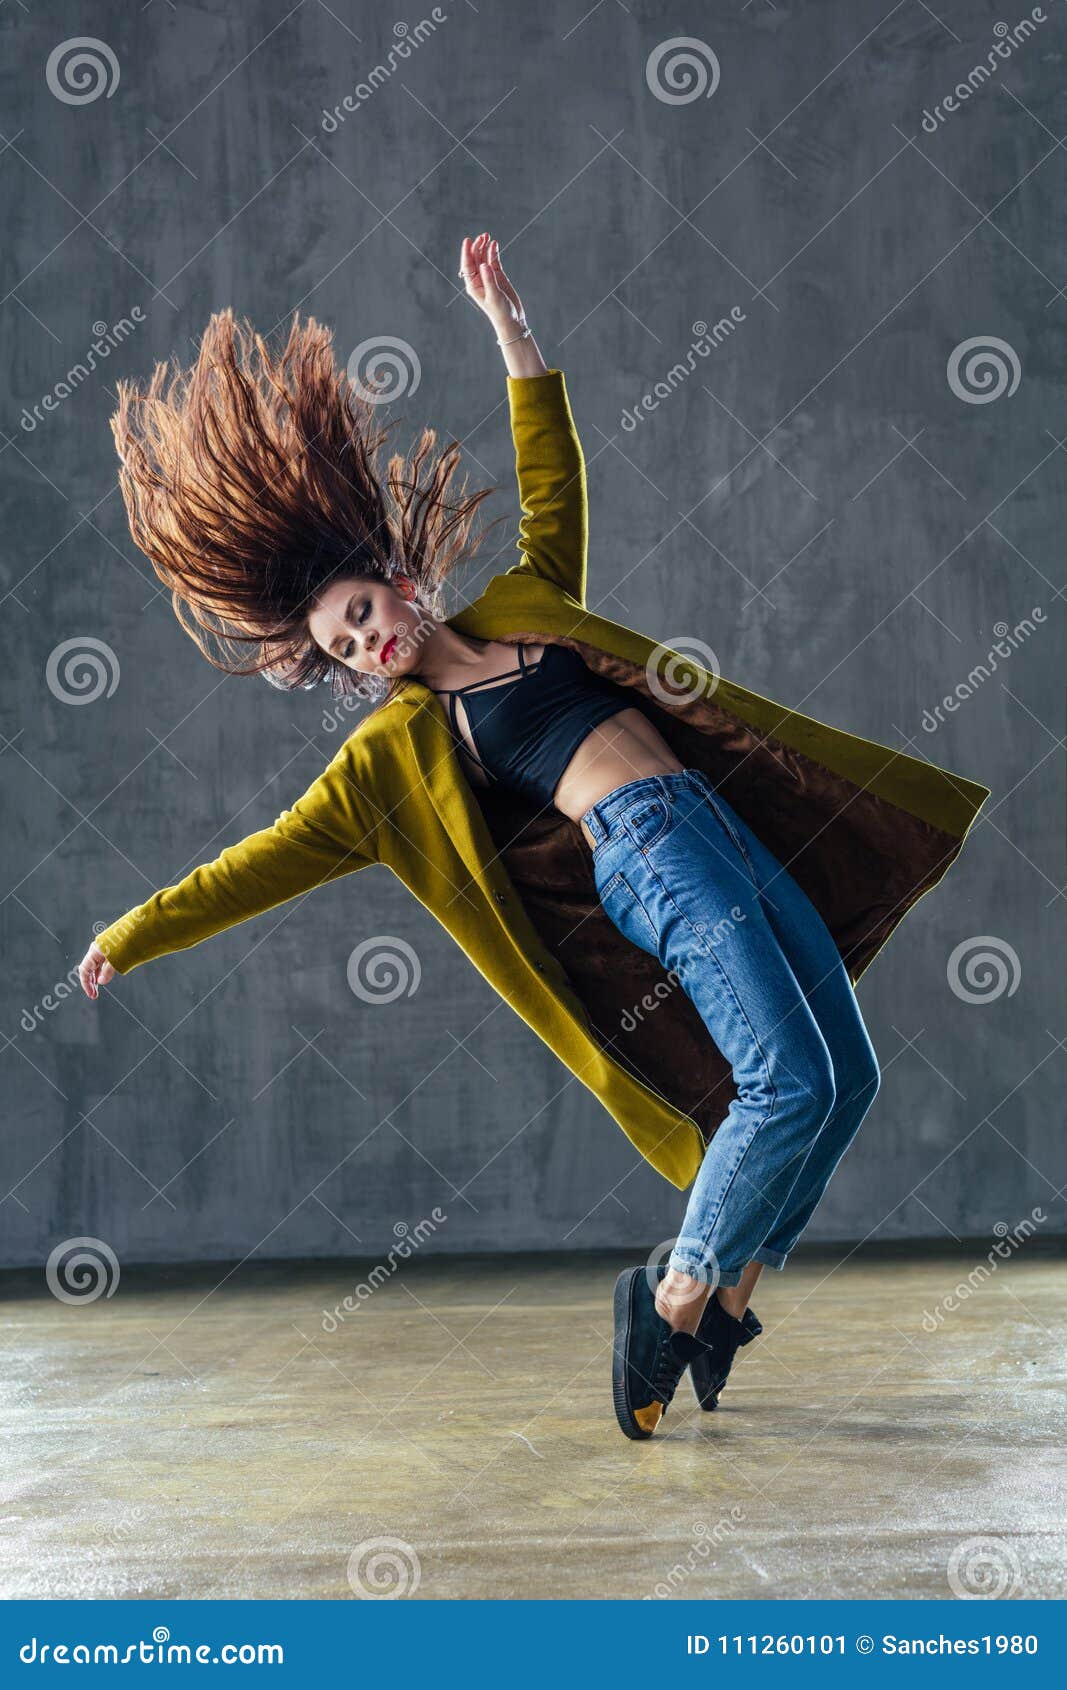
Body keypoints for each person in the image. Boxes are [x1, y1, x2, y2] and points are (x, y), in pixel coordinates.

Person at [79, 233, 991, 1441]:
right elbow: (257, 864)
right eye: (344, 650)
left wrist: (511, 331)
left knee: (846, 1075)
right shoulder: (387, 762)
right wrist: (130, 934)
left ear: (396, 579)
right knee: (778, 1085)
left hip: (714, 827)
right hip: (647, 854)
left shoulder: (521, 603)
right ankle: (669, 1293)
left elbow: (551, 479)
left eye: (362, 616)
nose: (366, 647)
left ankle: (728, 1302)